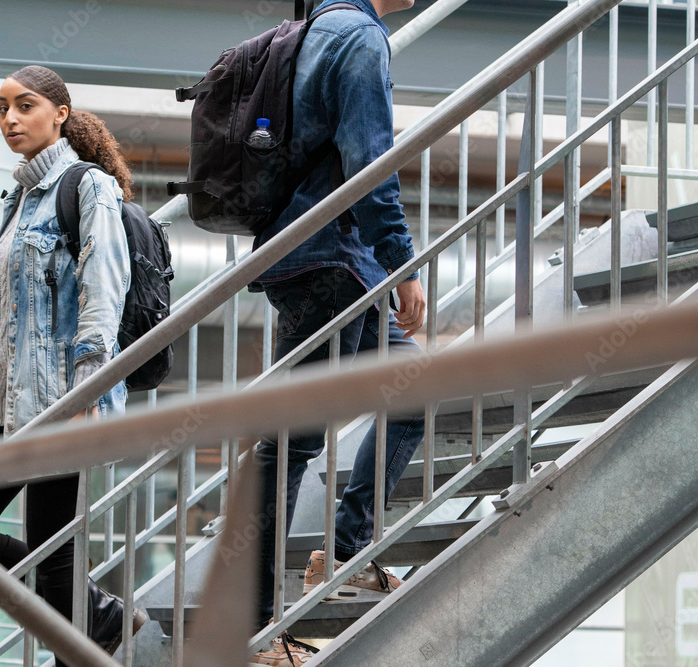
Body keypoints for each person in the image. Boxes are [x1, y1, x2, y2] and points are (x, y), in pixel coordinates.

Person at [0, 65, 143, 661]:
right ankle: (99, 615)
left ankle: (94, 617)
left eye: (25, 105)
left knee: (50, 555)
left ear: (60, 113)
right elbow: (4, 313)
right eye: (1, 108)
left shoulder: (86, 187)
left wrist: (87, 395)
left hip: (56, 402)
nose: (10, 118)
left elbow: (104, 293)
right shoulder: (18, 199)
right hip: (2, 402)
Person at [247, 1, 425, 664]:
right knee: (290, 440)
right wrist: (402, 259)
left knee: (415, 392)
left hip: (343, 260)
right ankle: (260, 627)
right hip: (330, 261)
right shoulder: (358, 37)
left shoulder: (325, 29)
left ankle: (348, 550)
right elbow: (368, 159)